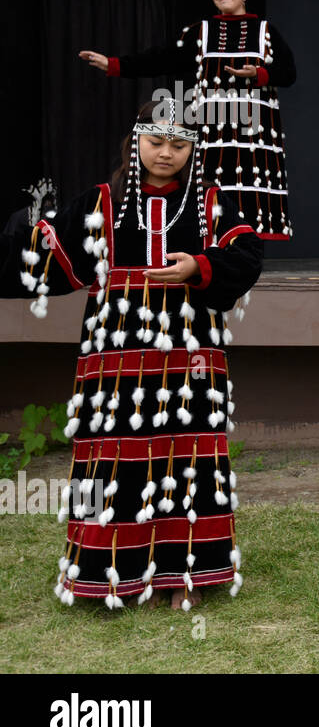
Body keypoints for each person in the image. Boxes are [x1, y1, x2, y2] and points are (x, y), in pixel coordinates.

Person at [3, 100, 262, 608]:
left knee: (188, 458)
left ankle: (181, 575)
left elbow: (246, 255)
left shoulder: (210, 204)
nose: (166, 153)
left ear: (193, 149)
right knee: (107, 458)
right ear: (135, 142)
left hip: (190, 363)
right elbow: (40, 253)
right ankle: (104, 575)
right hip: (113, 362)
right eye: (156, 142)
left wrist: (201, 267)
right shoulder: (100, 203)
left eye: (179, 144)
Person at [80, 0, 297, 241]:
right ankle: (211, 257)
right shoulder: (201, 32)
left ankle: (246, 260)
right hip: (211, 129)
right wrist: (115, 64)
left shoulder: (266, 32)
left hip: (252, 131)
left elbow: (289, 72)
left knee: (248, 190)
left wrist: (259, 74)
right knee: (210, 189)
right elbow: (162, 58)